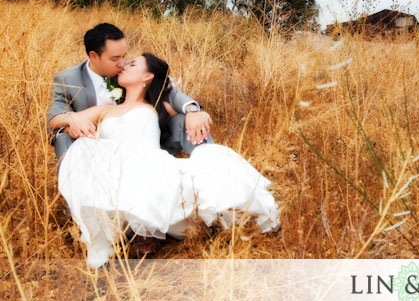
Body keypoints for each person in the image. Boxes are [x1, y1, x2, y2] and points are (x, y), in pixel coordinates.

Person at [54, 53, 280, 268]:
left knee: (209, 160)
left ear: (147, 76)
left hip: (149, 164)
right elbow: (58, 121)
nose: (125, 65)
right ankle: (122, 231)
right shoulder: (106, 109)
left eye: (133, 64)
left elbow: (186, 108)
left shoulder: (158, 106)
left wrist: (193, 112)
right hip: (114, 164)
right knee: (83, 148)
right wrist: (72, 118)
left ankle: (147, 228)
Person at [47, 23, 213, 159]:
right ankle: (72, 187)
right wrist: (71, 119)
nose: (122, 63)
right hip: (97, 146)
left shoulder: (128, 72)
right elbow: (54, 120)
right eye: (115, 59)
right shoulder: (68, 79)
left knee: (185, 121)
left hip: (147, 146)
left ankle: (210, 166)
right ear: (94, 56)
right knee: (63, 136)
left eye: (124, 56)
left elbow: (166, 90)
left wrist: (193, 110)